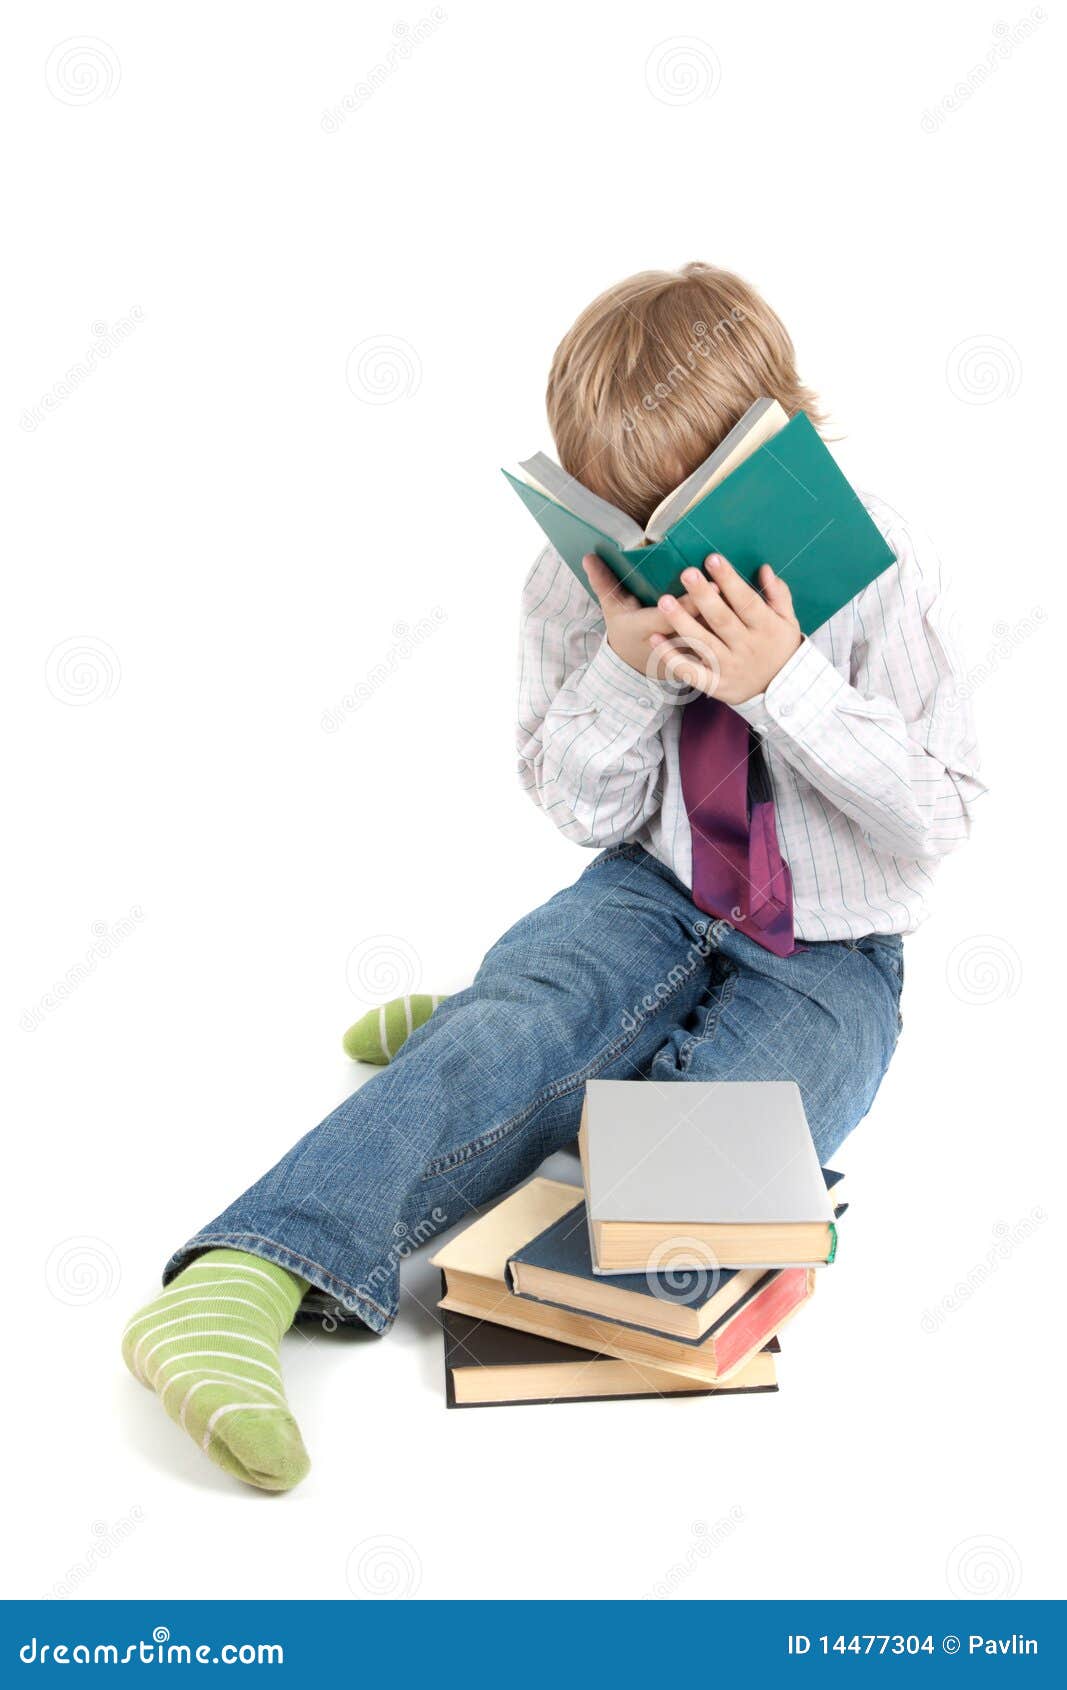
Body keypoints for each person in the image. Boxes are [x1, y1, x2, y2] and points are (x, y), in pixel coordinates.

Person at [121, 263, 984, 1490]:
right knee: (523, 1029)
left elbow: (938, 819)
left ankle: (505, 1024)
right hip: (645, 893)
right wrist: (627, 669)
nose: (662, 562)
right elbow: (580, 811)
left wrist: (782, 685)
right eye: (628, 527)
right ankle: (244, 1272)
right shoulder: (579, 584)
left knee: (715, 1167)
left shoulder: (886, 564)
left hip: (832, 959)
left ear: (780, 445)